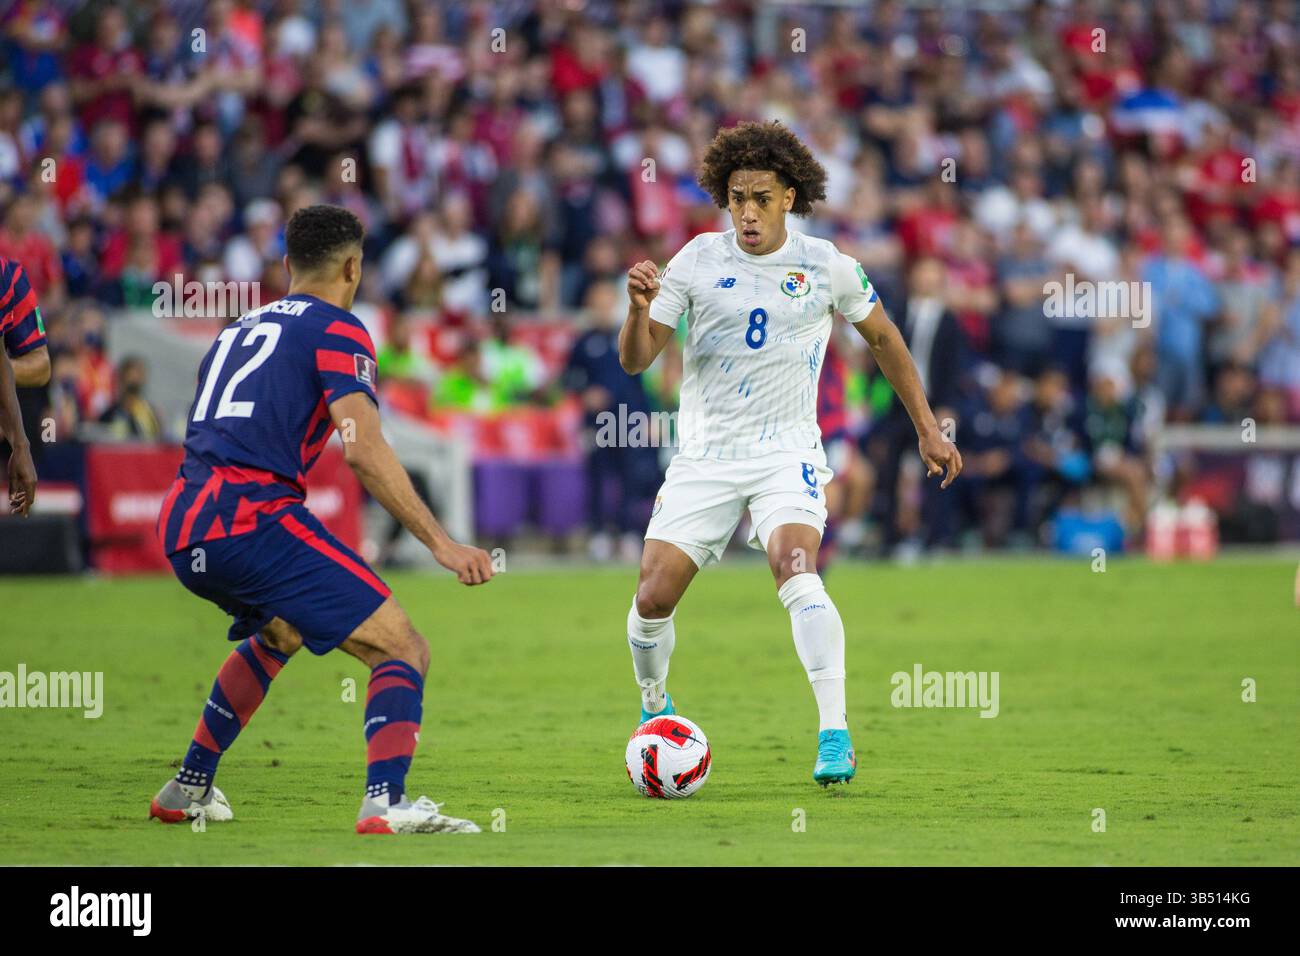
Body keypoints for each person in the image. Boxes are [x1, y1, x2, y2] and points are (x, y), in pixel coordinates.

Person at [616, 122, 962, 787]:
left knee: (795, 566)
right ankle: (655, 711)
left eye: (762, 197)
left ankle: (835, 734)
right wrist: (636, 312)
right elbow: (637, 362)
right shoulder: (695, 260)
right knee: (653, 596)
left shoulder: (827, 265)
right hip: (706, 454)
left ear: (790, 197)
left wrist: (926, 427)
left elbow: (887, 341)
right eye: (737, 196)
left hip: (786, 451)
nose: (747, 210)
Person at [150, 205, 494, 834]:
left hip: (183, 523)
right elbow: (362, 447)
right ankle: (386, 803)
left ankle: (186, 788)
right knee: (403, 647)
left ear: (287, 265)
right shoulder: (338, 328)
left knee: (280, 632)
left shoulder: (232, 332)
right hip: (253, 517)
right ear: (354, 266)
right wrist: (441, 543)